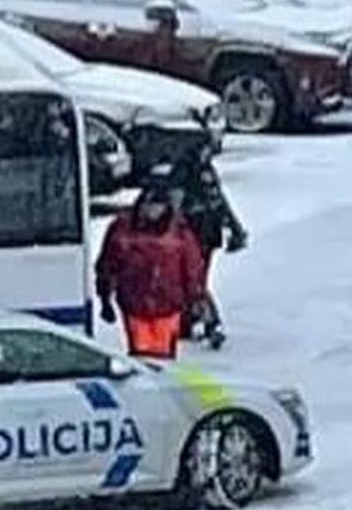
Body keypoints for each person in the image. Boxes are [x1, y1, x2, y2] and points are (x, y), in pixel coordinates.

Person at [95, 187, 207, 360]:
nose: (151, 211)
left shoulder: (180, 232)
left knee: (163, 357)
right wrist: (105, 297)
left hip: (168, 305)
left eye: (157, 206)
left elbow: (192, 268)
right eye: (148, 205)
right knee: (141, 355)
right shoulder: (121, 229)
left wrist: (195, 299)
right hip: (135, 304)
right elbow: (107, 265)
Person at [162, 134, 247, 348]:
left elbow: (218, 200)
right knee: (192, 281)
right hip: (190, 234)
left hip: (206, 233)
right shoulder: (184, 172)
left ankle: (194, 320)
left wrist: (234, 227)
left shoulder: (204, 169)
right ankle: (205, 321)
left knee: (194, 280)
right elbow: (176, 204)